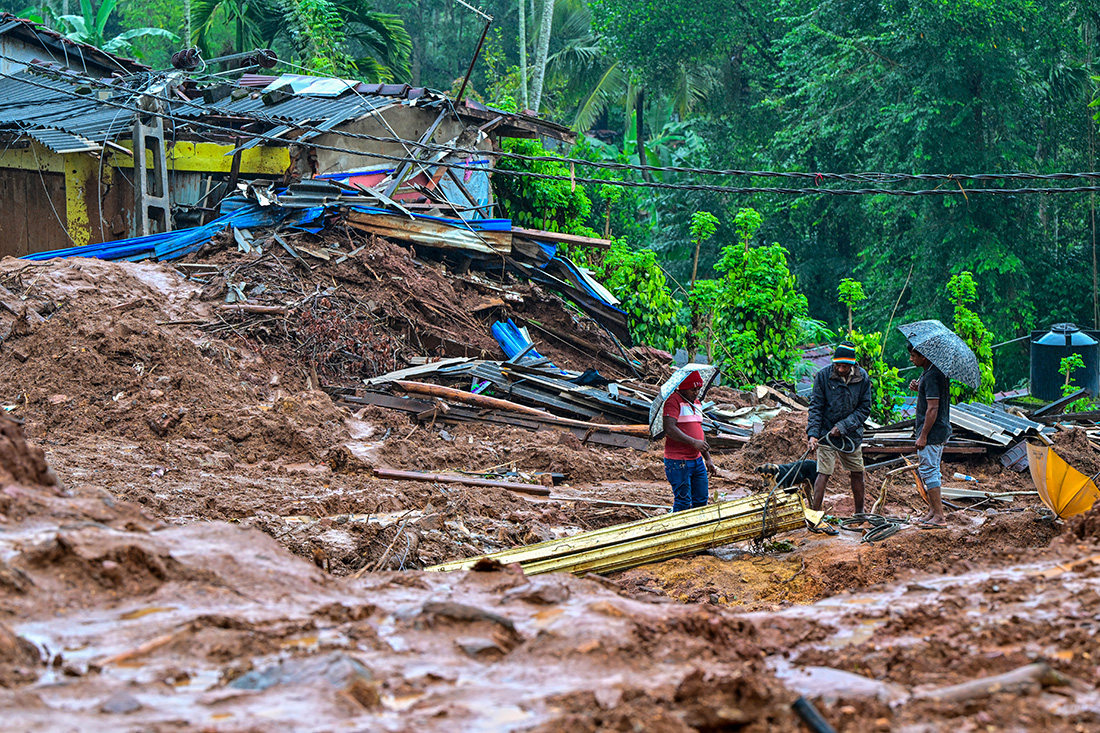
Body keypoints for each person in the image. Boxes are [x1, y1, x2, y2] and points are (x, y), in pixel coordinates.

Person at [806, 341, 873, 534]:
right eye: (838, 365)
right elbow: (816, 407)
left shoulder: (863, 379)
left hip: (850, 435)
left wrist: (843, 426)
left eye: (844, 366)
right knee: (823, 473)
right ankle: (815, 518)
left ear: (852, 365)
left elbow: (864, 409)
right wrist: (812, 434)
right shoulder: (823, 376)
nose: (840, 368)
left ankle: (860, 514)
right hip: (826, 432)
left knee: (857, 472)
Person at [907, 341, 951, 528]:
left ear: (923, 356)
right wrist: (920, 388)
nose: (911, 358)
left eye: (913, 355)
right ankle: (933, 511)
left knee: (929, 471)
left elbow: (932, 408)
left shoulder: (932, 375)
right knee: (932, 470)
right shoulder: (932, 372)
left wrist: (923, 435)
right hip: (939, 430)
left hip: (932, 432)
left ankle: (939, 516)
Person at [663, 371, 716, 512]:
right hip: (679, 462)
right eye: (693, 389)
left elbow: (698, 430)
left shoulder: (697, 403)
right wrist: (693, 442)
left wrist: (708, 459)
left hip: (697, 460)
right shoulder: (673, 401)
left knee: (701, 499)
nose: (697, 392)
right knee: (683, 501)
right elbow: (669, 428)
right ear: (683, 388)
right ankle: (677, 532)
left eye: (698, 389)